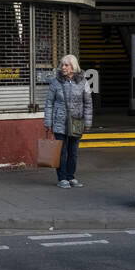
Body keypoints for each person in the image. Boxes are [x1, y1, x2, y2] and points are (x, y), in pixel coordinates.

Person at [43, 53, 92, 189]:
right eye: (62, 65)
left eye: (66, 65)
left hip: (76, 121)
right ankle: (62, 177)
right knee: (61, 151)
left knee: (73, 151)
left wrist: (88, 123)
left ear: (73, 66)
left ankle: (71, 176)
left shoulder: (83, 82)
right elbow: (49, 103)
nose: (63, 67)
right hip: (59, 121)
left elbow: (88, 103)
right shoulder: (55, 82)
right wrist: (48, 122)